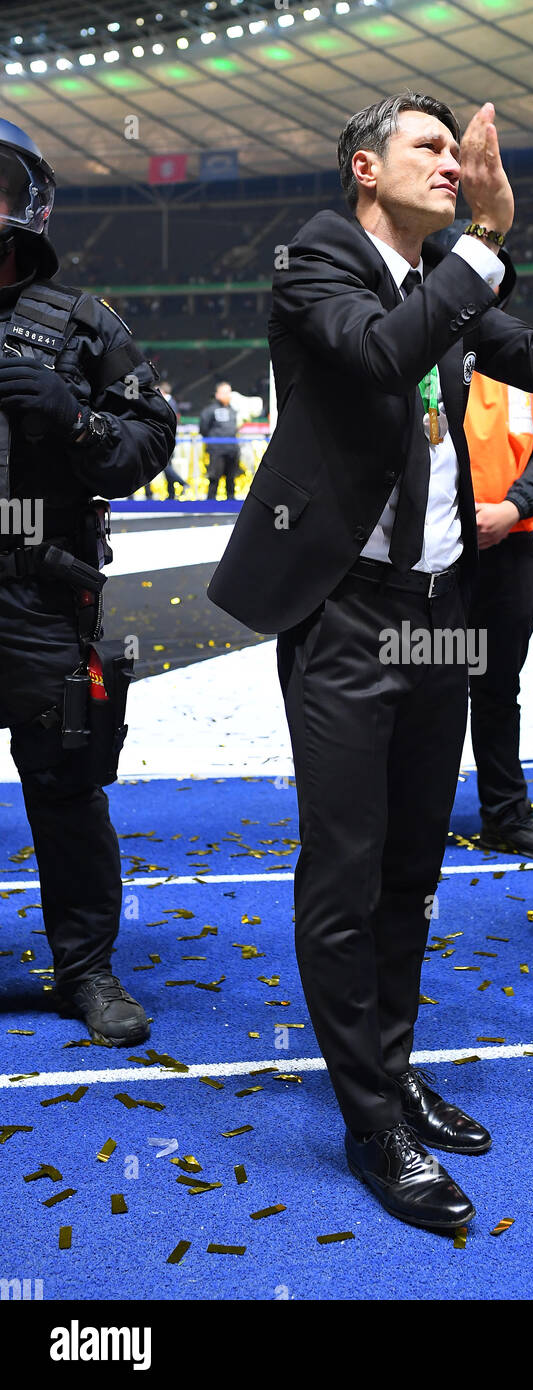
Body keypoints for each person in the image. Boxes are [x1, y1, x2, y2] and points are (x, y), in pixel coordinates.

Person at [209, 92, 533, 1230]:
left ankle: (391, 1069)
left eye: (459, 152)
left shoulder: (443, 277)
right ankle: (370, 1125)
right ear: (366, 167)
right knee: (346, 874)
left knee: (411, 866)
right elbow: (379, 355)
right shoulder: (320, 260)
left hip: (439, 607)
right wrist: (487, 243)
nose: (453, 166)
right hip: (346, 612)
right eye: (430, 149)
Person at [0, 119, 177, 1043]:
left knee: (67, 792)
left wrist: (74, 422)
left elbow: (153, 442)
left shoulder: (85, 325)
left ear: (27, 201)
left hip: (39, 596)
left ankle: (86, 971)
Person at [465, 371, 533, 859]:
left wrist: (513, 507)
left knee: (496, 688)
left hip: (507, 550)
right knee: (420, 687)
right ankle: (404, 814)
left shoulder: (526, 365)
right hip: (427, 550)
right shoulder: (420, 349)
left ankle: (505, 817)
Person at [141, 380, 184, 499]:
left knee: (163, 466)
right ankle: (171, 492)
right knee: (162, 465)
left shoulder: (167, 403)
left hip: (163, 440)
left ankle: (180, 483)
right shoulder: (171, 403)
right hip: (164, 440)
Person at [199, 381, 240, 499]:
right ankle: (211, 503)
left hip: (232, 450)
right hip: (217, 450)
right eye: (224, 392)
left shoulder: (233, 409)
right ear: (217, 394)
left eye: (229, 392)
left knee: (231, 479)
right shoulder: (210, 410)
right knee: (214, 478)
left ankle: (231, 502)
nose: (227, 395)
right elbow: (203, 428)